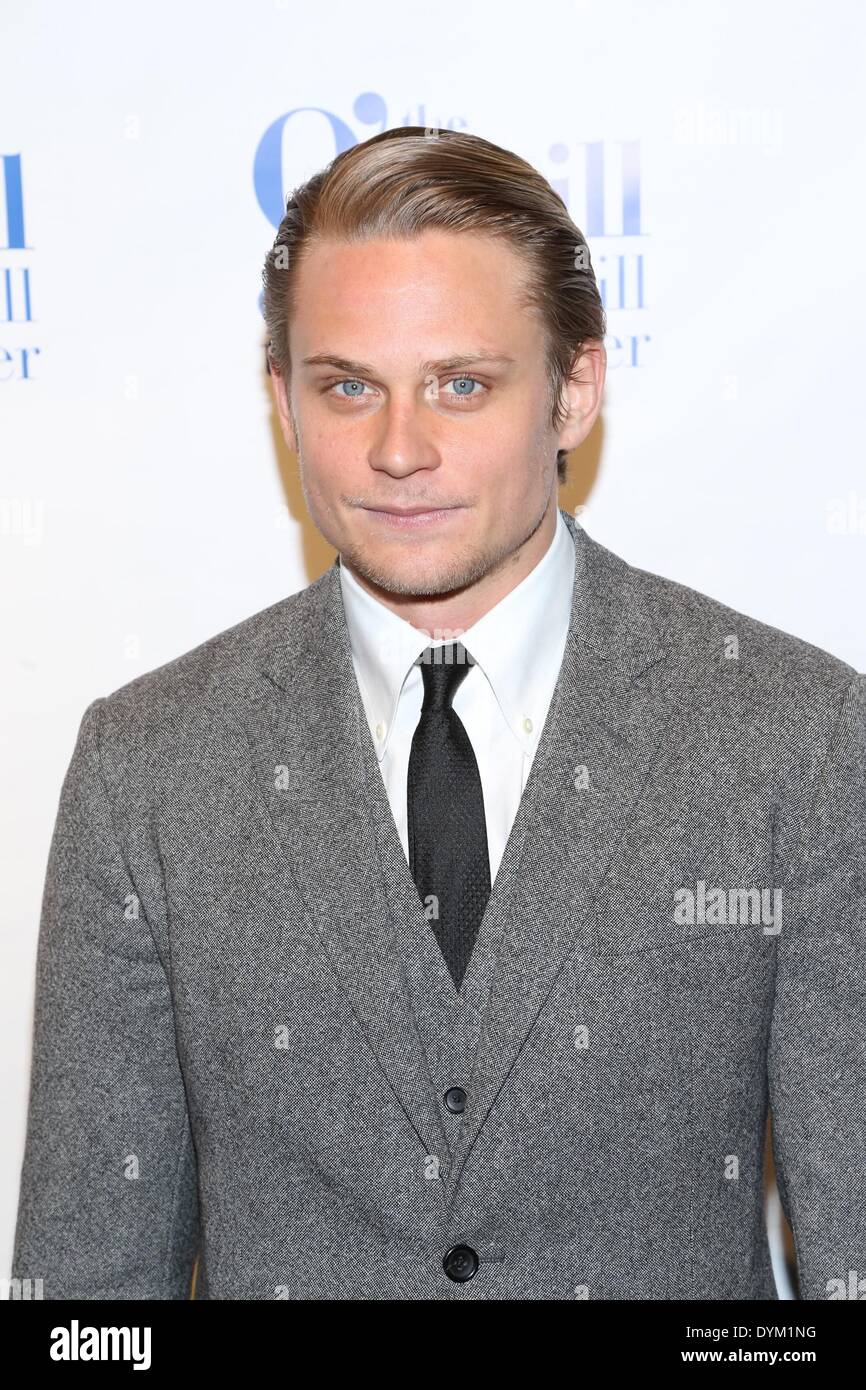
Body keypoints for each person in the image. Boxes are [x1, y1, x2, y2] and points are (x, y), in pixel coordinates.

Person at [11, 126, 865, 1300]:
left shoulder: (798, 740)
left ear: (574, 390)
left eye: (460, 384)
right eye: (347, 386)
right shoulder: (147, 766)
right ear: (280, 399)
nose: (398, 449)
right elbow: (86, 1302)